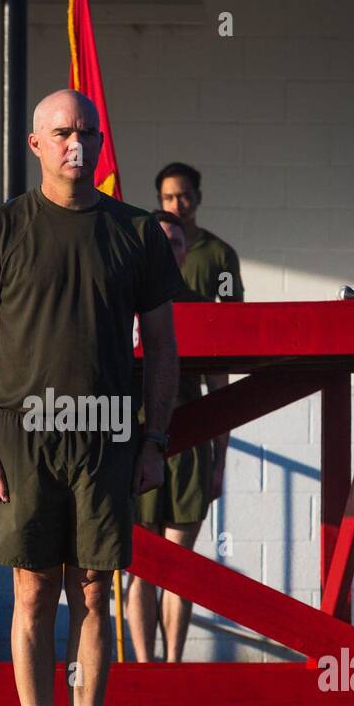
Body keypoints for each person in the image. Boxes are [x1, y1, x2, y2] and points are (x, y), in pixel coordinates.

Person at [0, 89, 184, 706]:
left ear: (101, 142)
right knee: (30, 594)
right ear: (36, 144)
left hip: (108, 434)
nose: (74, 143)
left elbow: (165, 350)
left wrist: (154, 438)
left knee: (93, 592)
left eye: (86, 131)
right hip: (22, 435)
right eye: (61, 132)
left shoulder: (137, 232)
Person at [125, 210, 229, 662]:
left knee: (178, 567)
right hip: (132, 446)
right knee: (141, 566)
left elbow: (221, 392)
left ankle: (173, 668)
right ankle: (145, 669)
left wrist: (221, 462)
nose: (169, 250)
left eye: (177, 242)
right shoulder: (120, 302)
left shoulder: (204, 310)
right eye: (160, 241)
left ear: (187, 250)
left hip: (188, 448)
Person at [154, 162, 244, 303]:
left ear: (198, 197)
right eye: (169, 197)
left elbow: (232, 308)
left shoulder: (221, 254)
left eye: (184, 196)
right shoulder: (146, 250)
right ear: (160, 200)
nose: (176, 205)